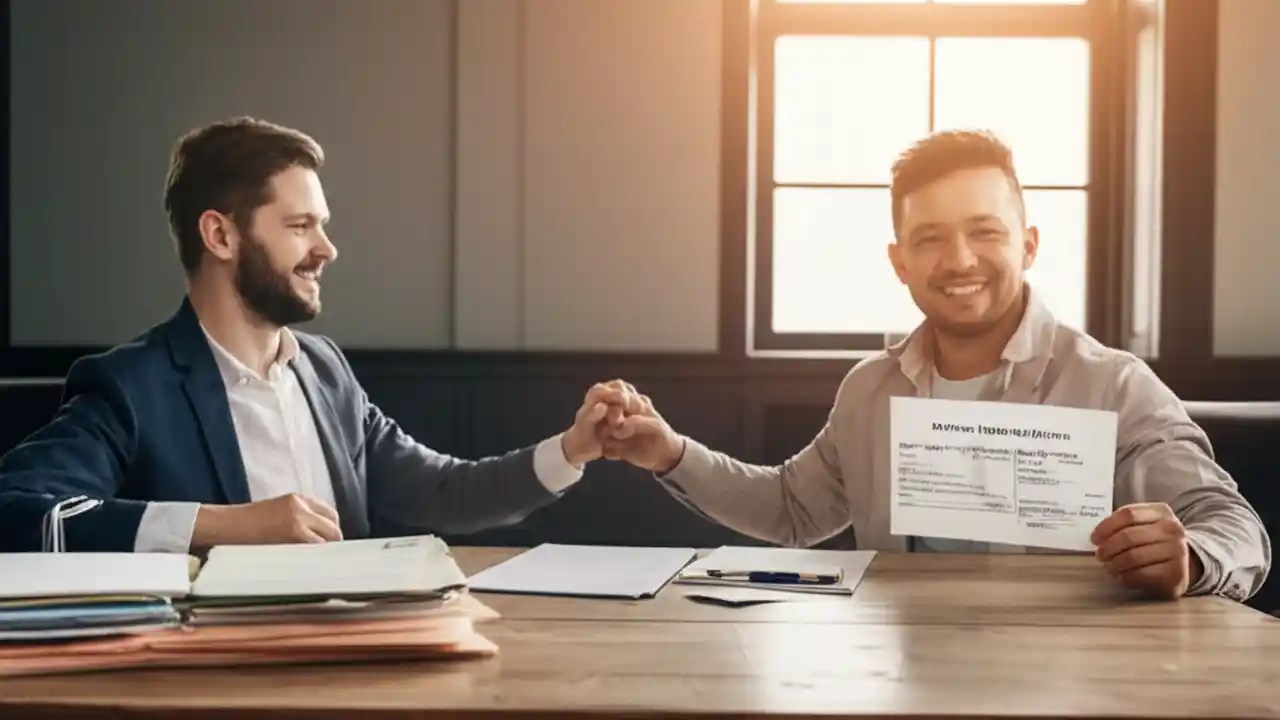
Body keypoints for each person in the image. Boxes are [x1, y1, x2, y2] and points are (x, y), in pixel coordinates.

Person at [595, 130, 1270, 602]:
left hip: (1067, 685)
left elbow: (1236, 530)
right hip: (898, 671)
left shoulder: (1112, 384)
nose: (960, 260)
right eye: (930, 238)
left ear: (1028, 245)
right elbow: (791, 510)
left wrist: (1190, 557)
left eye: (984, 231)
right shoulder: (871, 389)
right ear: (900, 262)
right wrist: (669, 452)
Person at [0, 117, 622, 553]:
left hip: (353, 669)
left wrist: (572, 448)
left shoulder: (324, 371)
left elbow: (443, 491)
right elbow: (16, 510)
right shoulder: (131, 386)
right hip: (210, 685)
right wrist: (224, 526)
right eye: (300, 226)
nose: (326, 249)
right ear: (220, 236)